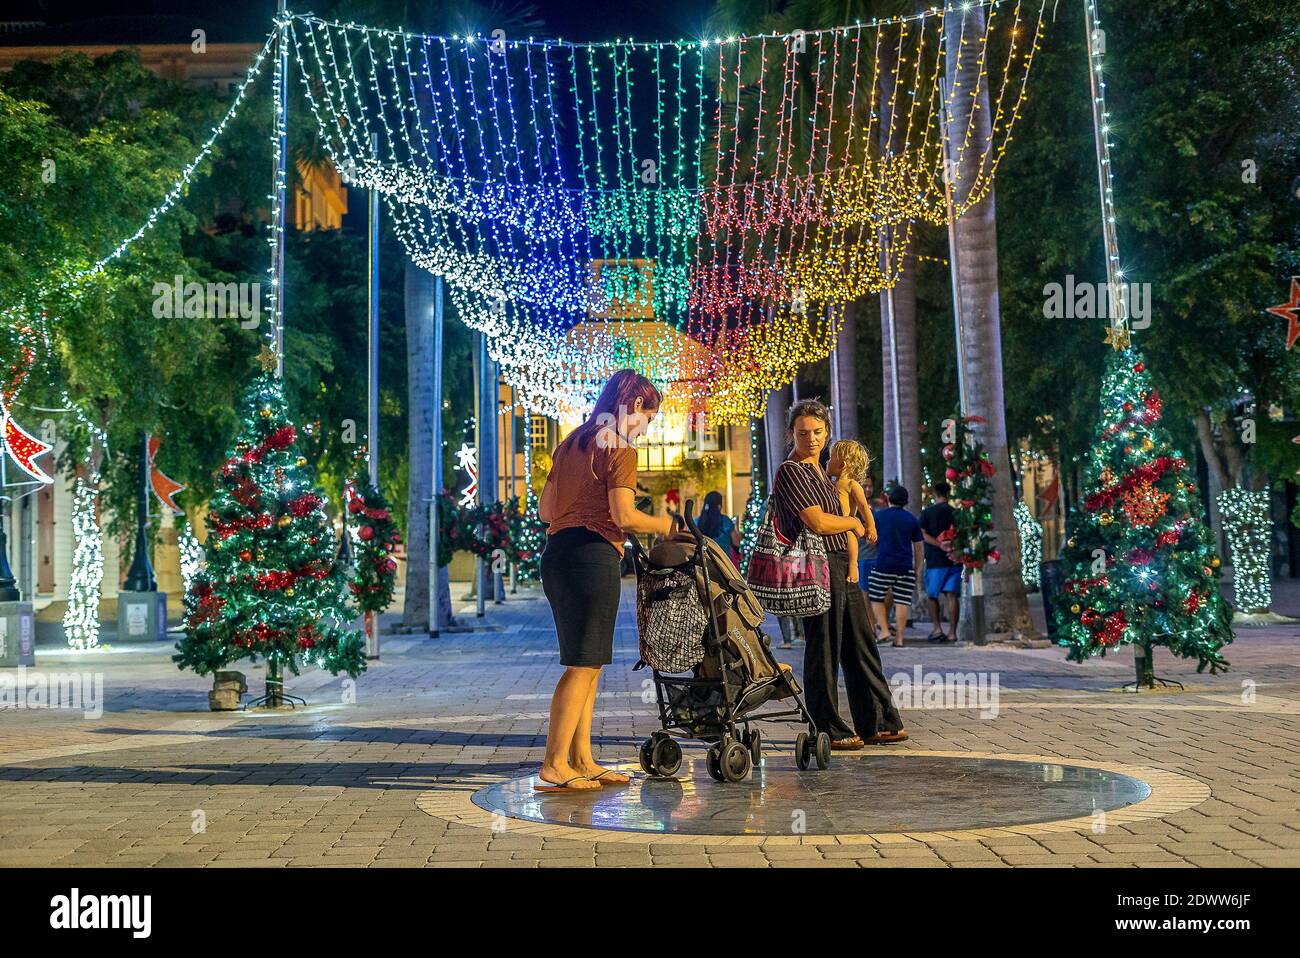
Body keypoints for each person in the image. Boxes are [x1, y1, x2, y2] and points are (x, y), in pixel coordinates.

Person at [536, 369, 678, 791]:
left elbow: (546, 510)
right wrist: (664, 524)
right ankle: (555, 764)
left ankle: (581, 758)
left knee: (589, 662)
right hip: (592, 555)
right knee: (582, 665)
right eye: (648, 419)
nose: (646, 429)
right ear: (634, 405)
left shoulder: (570, 442)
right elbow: (623, 516)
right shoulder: (620, 447)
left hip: (558, 554)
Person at [769, 398, 907, 749]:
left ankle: (877, 720)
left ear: (827, 432)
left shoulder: (824, 473)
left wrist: (851, 533)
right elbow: (816, 521)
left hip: (843, 565)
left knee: (861, 642)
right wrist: (854, 523)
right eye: (803, 433)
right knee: (825, 646)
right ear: (791, 434)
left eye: (817, 432)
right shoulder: (792, 471)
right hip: (817, 565)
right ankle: (827, 725)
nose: (811, 439)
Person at [867, 484, 923, 648]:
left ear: (889, 499)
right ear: (905, 501)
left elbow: (871, 540)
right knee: (902, 602)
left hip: (883, 564)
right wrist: (917, 569)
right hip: (905, 566)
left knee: (875, 596)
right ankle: (899, 639)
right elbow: (919, 547)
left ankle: (884, 630)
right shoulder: (911, 519)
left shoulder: (879, 516)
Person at [827, 440, 876, 584]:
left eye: (830, 459)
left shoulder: (852, 485)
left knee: (850, 535)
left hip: (846, 523)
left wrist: (871, 526)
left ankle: (854, 564)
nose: (827, 462)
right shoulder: (831, 484)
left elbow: (864, 507)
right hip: (833, 524)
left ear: (842, 465)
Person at [920, 480, 962, 642]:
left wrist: (939, 545)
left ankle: (937, 628)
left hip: (935, 560)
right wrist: (951, 547)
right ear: (948, 494)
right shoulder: (956, 512)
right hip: (954, 559)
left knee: (932, 595)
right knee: (952, 595)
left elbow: (922, 534)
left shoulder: (927, 513)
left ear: (935, 494)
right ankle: (952, 632)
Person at [697, 490, 741, 563]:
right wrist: (735, 526)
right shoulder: (725, 521)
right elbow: (737, 542)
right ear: (719, 506)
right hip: (723, 565)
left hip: (702, 563)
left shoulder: (696, 522)